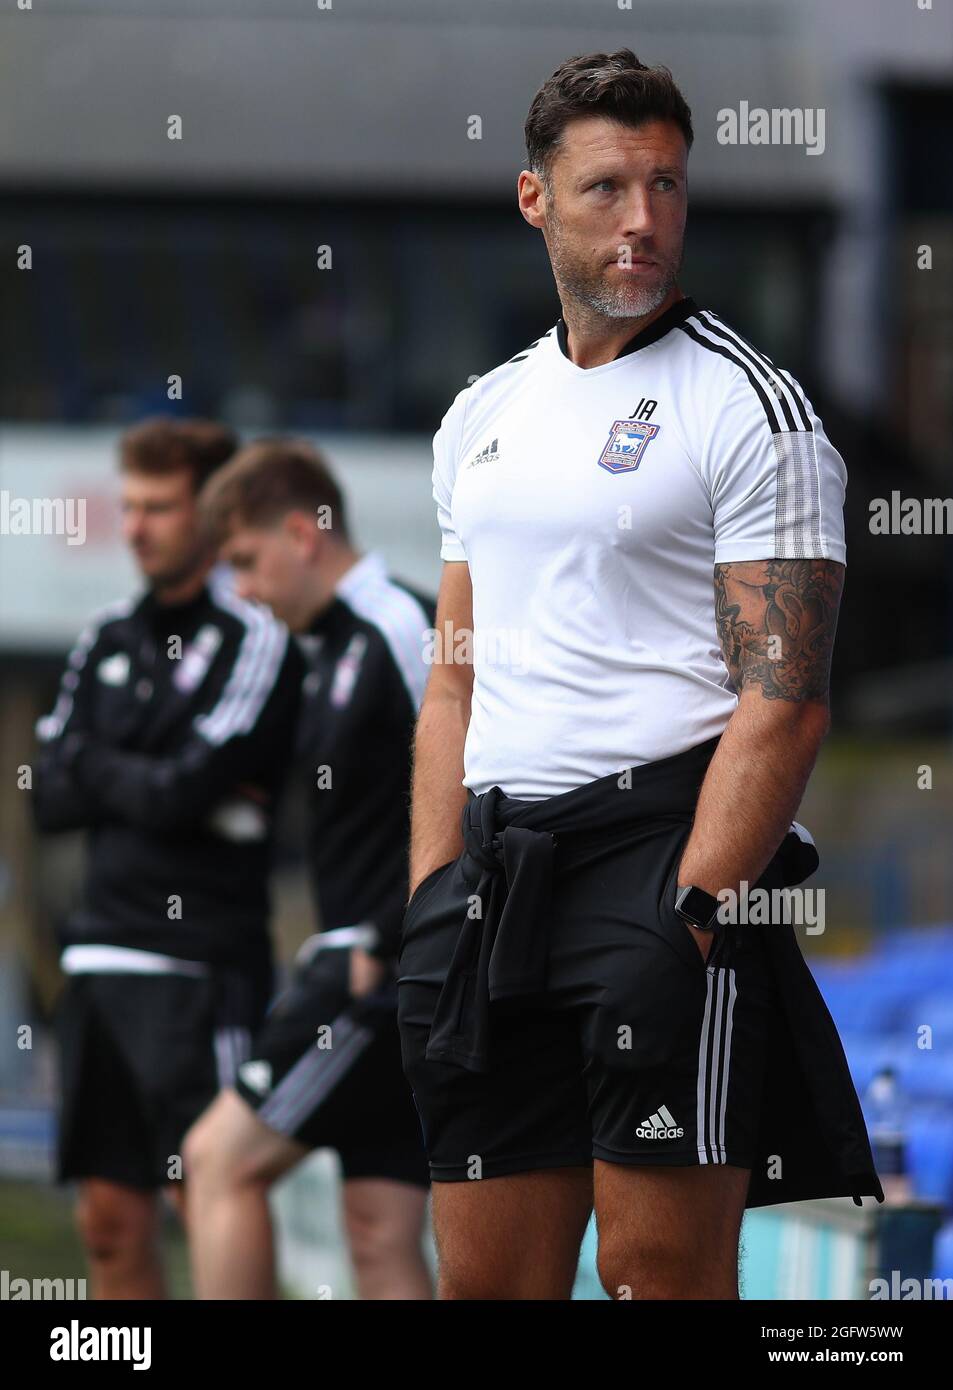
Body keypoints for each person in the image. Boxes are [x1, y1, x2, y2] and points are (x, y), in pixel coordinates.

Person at [397, 49, 884, 1302]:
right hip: (495, 874)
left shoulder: (749, 407)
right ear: (533, 199)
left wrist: (695, 910)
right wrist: (429, 894)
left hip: (659, 855)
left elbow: (784, 696)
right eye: (606, 187)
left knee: (655, 1278)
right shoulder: (481, 412)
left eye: (665, 187)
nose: (640, 220)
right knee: (486, 1286)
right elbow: (451, 678)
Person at [33, 417, 303, 1299]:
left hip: (199, 968)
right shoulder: (103, 636)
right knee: (108, 1223)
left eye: (158, 507)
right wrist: (153, 776)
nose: (137, 527)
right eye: (130, 506)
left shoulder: (255, 635)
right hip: (97, 960)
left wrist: (113, 768)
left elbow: (172, 792)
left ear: (212, 512)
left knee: (210, 1195)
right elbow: (49, 796)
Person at [183, 440, 434, 1300]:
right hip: (368, 963)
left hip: (381, 972)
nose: (245, 590)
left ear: (303, 532)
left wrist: (383, 937)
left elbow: (481, 786)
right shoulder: (321, 646)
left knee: (215, 1161)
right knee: (378, 1227)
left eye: (248, 563)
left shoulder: (398, 625)